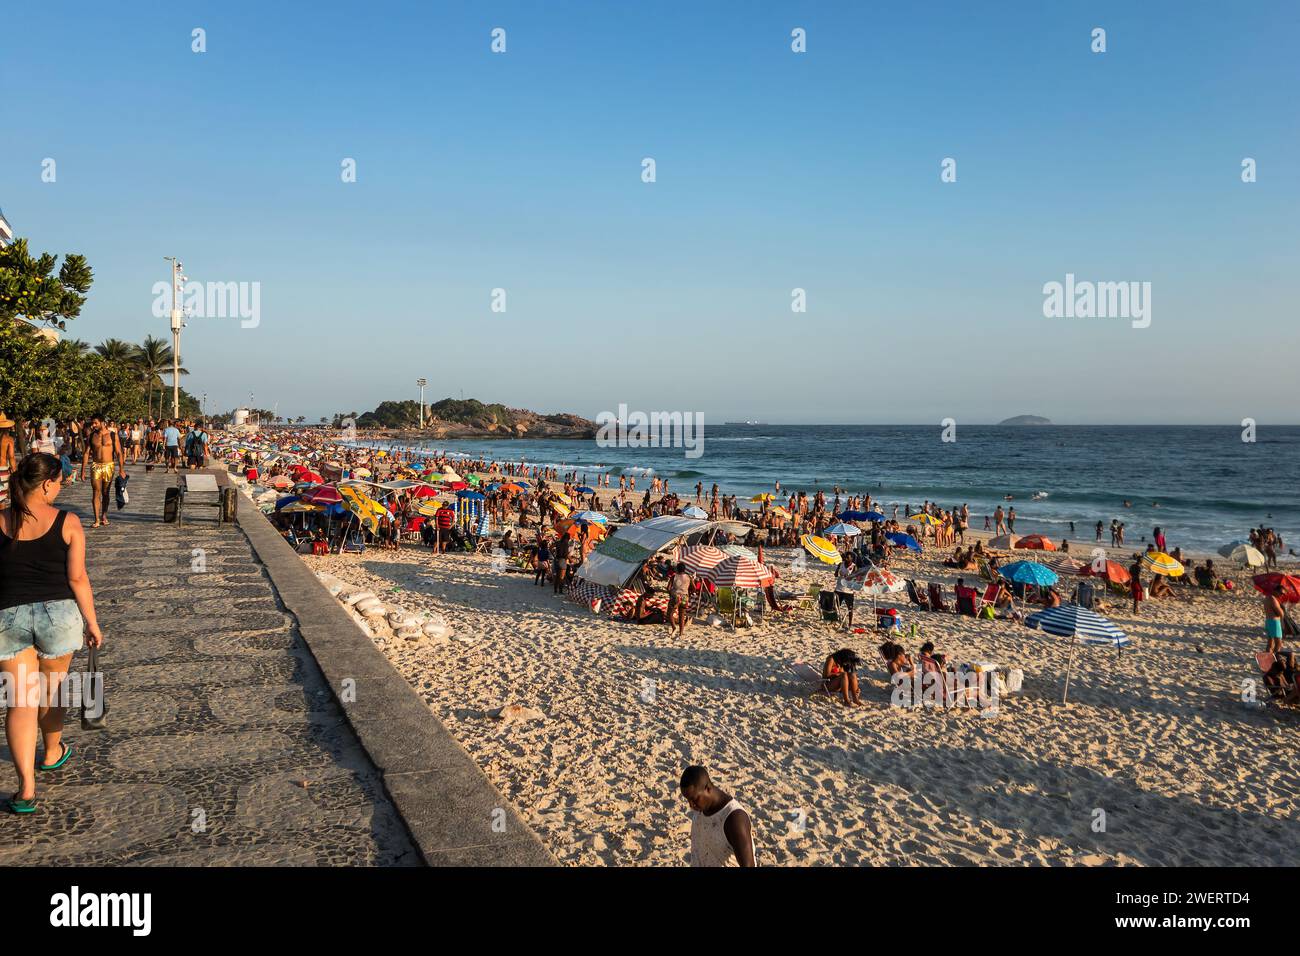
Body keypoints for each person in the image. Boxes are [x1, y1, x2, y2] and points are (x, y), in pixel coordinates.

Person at [0, 453, 105, 814]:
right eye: (59, 482)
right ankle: (53, 751)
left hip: (8, 618)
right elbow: (78, 578)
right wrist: (92, 622)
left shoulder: (0, 519)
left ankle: (26, 788)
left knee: (20, 701)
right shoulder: (68, 521)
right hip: (59, 618)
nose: (60, 487)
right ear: (47, 484)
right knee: (52, 689)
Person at [679, 765, 756, 867]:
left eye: (694, 799)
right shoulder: (700, 808)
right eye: (688, 800)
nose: (691, 805)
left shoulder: (734, 819)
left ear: (708, 788)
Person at [77, 416, 124, 528]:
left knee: (106, 492)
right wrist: (82, 470)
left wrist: (122, 469)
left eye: (95, 423)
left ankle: (104, 515)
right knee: (96, 492)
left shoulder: (113, 435)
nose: (93, 425)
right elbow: (87, 453)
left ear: (102, 422)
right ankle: (96, 519)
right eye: (93, 423)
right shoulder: (92, 435)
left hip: (109, 465)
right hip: (96, 465)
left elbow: (118, 452)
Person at [667, 561, 693, 636]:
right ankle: (681, 633)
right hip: (685, 597)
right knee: (682, 615)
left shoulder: (674, 576)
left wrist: (671, 594)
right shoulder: (689, 577)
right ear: (684, 569)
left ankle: (674, 627)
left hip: (675, 597)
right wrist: (688, 592)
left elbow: (668, 588)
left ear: (677, 569)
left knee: (670, 614)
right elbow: (693, 588)